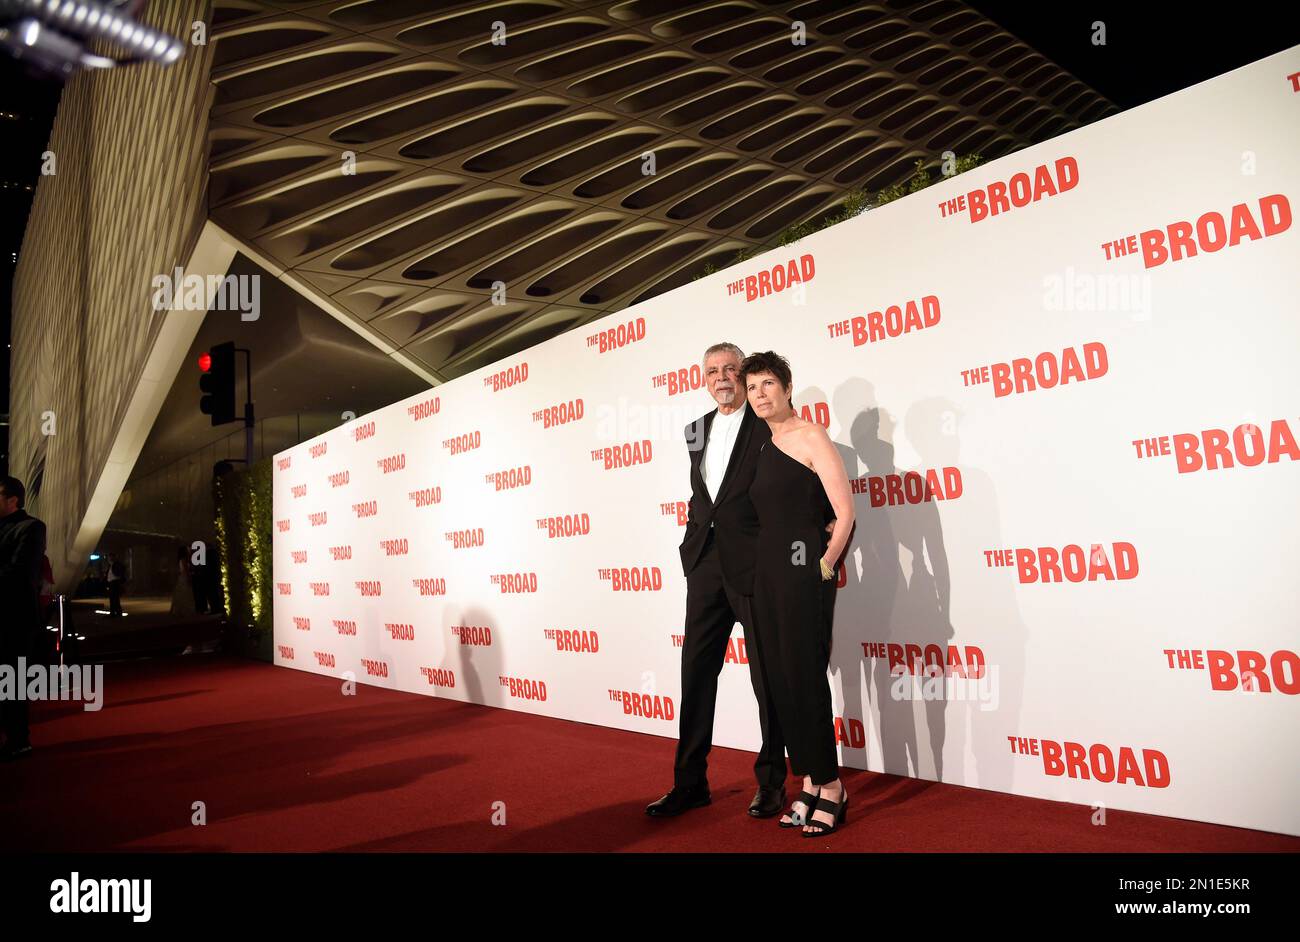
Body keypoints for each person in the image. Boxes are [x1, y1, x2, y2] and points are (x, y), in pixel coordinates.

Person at [645, 342, 789, 819]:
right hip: (705, 564)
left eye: (730, 369)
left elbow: (787, 485)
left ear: (743, 374)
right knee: (696, 673)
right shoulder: (695, 430)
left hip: (755, 565)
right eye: (713, 371)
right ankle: (689, 784)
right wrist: (691, 545)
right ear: (703, 379)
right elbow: (702, 494)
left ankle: (771, 783)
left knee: (766, 676)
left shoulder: (768, 423)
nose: (722, 377)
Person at [741, 351, 856, 836]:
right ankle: (809, 781)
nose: (759, 394)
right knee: (780, 682)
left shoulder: (812, 436)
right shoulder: (760, 446)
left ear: (788, 388)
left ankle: (833, 787)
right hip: (766, 577)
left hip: (804, 573)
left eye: (768, 384)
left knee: (805, 678)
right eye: (752, 387)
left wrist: (824, 565)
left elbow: (844, 513)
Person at [0, 475, 48, 761]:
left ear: (12, 499)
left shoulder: (32, 527)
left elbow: (21, 574)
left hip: (15, 620)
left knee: (12, 683)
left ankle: (19, 740)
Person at [106, 553, 125, 617]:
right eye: (108, 557)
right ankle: (113, 613)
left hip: (115, 583)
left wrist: (119, 578)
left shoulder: (116, 564)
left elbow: (120, 572)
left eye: (109, 557)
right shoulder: (111, 565)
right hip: (111, 583)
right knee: (112, 598)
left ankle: (117, 613)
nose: (108, 559)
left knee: (115, 598)